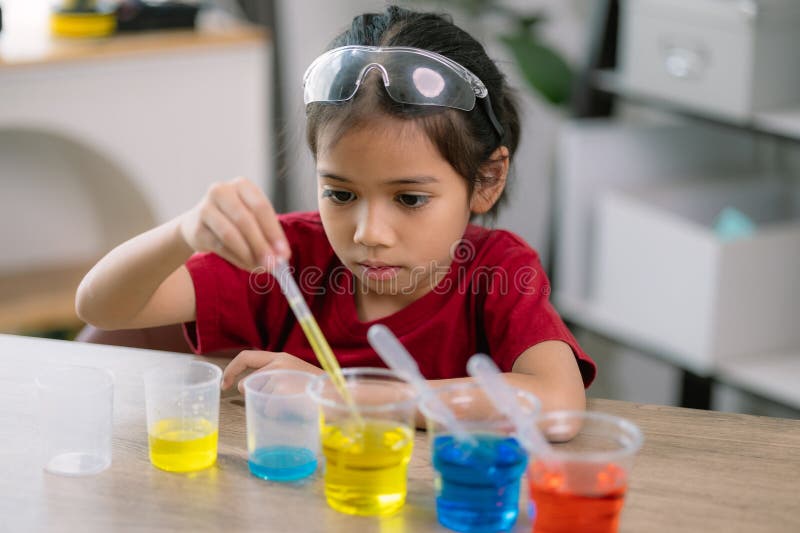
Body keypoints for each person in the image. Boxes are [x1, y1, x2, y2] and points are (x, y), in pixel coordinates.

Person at [75, 5, 595, 413]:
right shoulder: (283, 259)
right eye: (341, 194)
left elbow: (559, 403)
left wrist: (338, 394)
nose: (369, 233)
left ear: (487, 179)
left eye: (409, 198)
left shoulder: (498, 272)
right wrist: (184, 232)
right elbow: (104, 309)